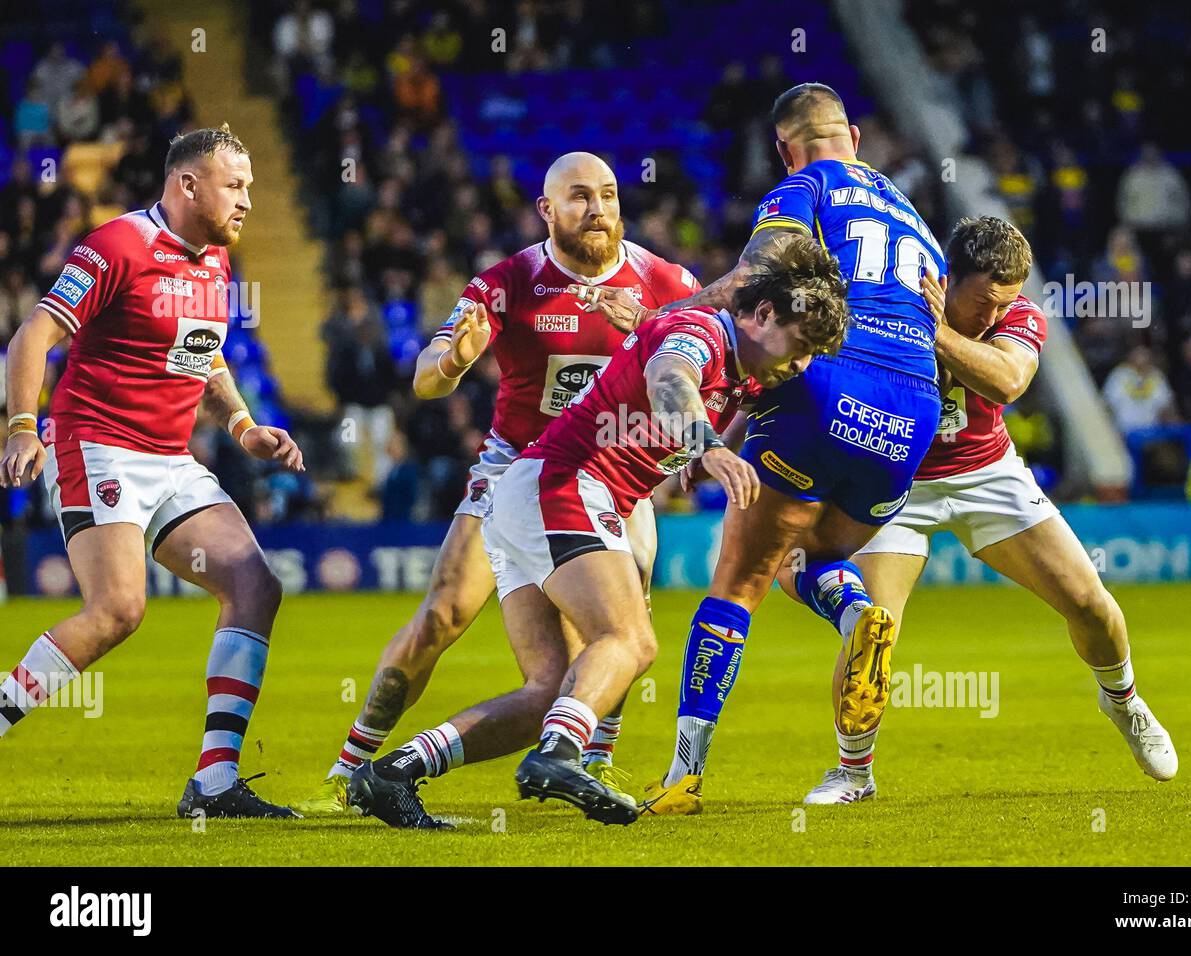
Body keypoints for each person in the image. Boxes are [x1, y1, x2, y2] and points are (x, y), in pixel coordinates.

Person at [352, 233, 848, 828]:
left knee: (547, 694)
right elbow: (671, 381)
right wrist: (706, 444)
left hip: (530, 497)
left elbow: (696, 385)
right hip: (563, 483)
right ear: (763, 314)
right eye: (798, 350)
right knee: (631, 641)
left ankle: (390, 773)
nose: (799, 366)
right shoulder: (704, 333)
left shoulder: (744, 367)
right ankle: (560, 758)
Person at [294, 152, 701, 817]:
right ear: (547, 210)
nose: (596, 209)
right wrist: (452, 362)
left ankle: (594, 760)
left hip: (613, 479)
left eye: (607, 195)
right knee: (446, 611)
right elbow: (426, 375)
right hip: (517, 469)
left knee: (619, 630)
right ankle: (350, 770)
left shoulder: (664, 281)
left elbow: (708, 364)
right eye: (578, 197)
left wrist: (655, 338)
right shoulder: (511, 281)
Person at [585, 83, 945, 814]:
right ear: (853, 133)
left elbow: (754, 277)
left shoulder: (804, 186)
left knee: (739, 582)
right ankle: (853, 614)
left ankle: (686, 775)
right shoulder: (916, 218)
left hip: (826, 381)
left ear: (785, 148)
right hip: (914, 412)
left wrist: (660, 318)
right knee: (812, 559)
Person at [802, 216, 1177, 805]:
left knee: (1090, 604)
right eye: (983, 303)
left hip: (987, 473)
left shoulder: (1019, 313)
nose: (996, 316)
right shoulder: (885, 301)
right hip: (896, 476)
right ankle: (853, 773)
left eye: (1006, 302)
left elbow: (1007, 382)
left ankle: (1123, 701)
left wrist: (940, 334)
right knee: (874, 630)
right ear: (946, 279)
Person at [0, 124, 305, 819]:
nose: (249, 200)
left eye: (252, 186)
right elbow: (33, 334)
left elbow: (206, 357)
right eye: (236, 184)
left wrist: (243, 425)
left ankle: (216, 782)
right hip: (97, 445)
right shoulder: (117, 245)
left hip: (170, 458)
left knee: (255, 585)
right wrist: (22, 428)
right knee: (116, 612)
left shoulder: (216, 265)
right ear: (188, 185)